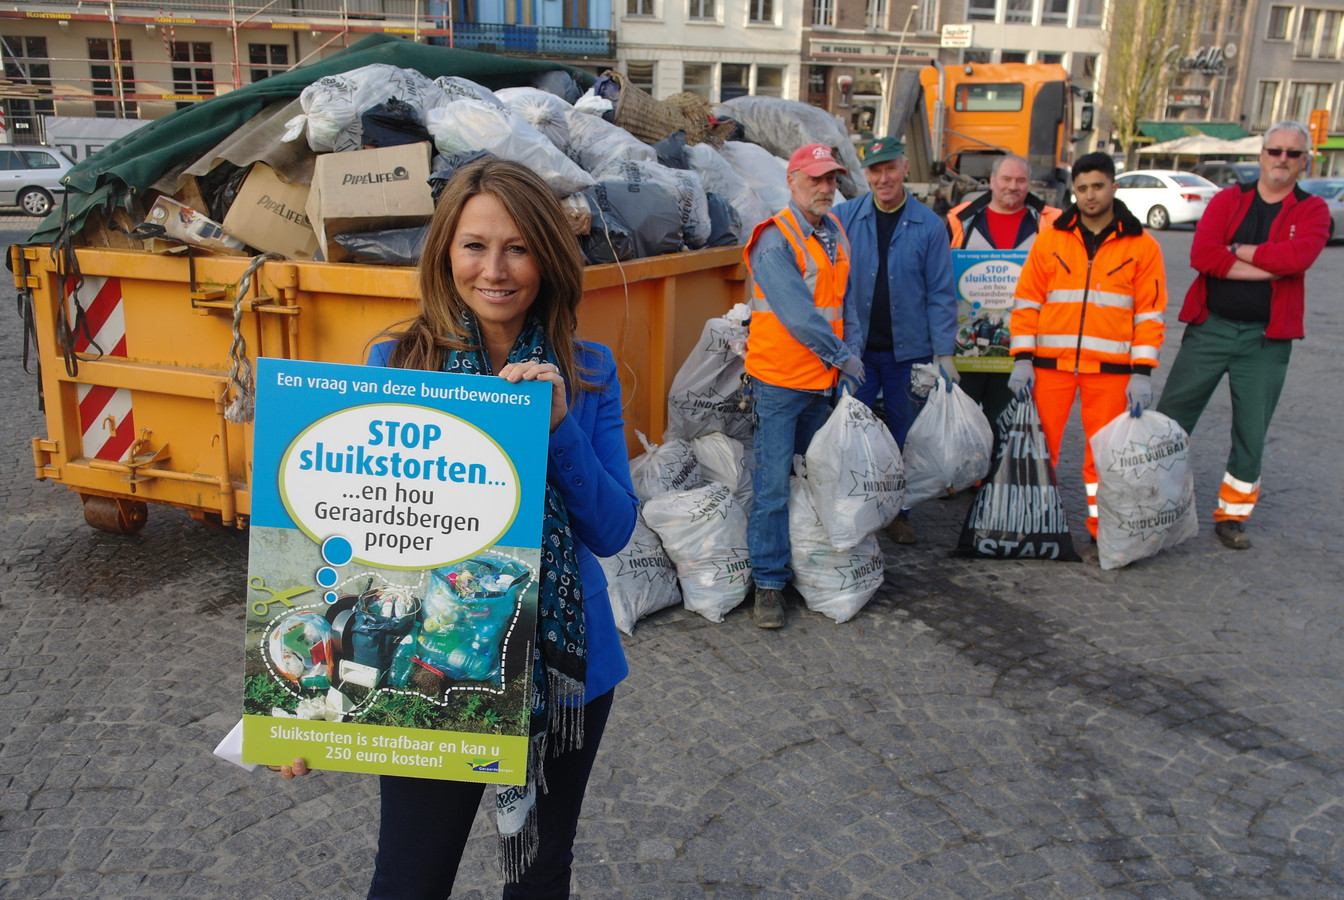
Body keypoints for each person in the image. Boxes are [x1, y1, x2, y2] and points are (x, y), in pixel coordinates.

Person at [274, 158, 640, 900]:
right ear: (445, 253)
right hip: (430, 658)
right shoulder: (399, 362)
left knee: (538, 875)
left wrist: (559, 428)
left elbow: (612, 529)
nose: (495, 270)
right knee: (410, 877)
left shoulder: (591, 371)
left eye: (518, 247)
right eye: (475, 245)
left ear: (548, 257)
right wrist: (308, 712)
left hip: (563, 672)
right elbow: (358, 534)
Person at [1156, 120, 1329, 550]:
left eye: (1292, 154)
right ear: (1261, 155)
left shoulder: (1312, 210)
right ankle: (1152, 501)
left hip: (1266, 340)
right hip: (1210, 327)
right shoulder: (1229, 199)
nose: (1282, 160)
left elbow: (1299, 257)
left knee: (1251, 431)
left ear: (1304, 161)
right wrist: (1270, 267)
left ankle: (1232, 515)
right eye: (1275, 151)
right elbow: (1201, 254)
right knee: (1172, 420)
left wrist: (1235, 251)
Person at [1007, 151, 1167, 542]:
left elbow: (1150, 314)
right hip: (1049, 367)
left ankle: (1105, 530)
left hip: (1111, 372)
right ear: (1073, 192)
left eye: (1098, 186)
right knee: (1038, 453)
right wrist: (1022, 359)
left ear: (1114, 186)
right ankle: (1033, 524)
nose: (1090, 195)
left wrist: (1141, 372)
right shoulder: (1050, 241)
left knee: (1107, 461)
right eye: (1082, 188)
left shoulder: (1143, 247)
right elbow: (1027, 302)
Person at [744, 142, 865, 629]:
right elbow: (798, 316)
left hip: (824, 382)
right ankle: (769, 583)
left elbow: (846, 303)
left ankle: (813, 567)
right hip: (779, 383)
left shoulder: (835, 232)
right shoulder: (775, 240)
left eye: (831, 179)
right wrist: (844, 357)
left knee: (820, 480)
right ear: (791, 181)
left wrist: (848, 361)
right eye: (815, 179)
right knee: (772, 485)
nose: (825, 187)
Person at [833, 136, 959, 544]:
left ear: (906, 168)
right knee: (852, 431)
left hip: (909, 354)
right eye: (875, 170)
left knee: (905, 434)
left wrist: (944, 354)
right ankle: (858, 506)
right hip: (859, 353)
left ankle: (899, 511)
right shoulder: (845, 218)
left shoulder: (929, 225)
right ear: (864, 174)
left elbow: (941, 292)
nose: (883, 178)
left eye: (890, 168)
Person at [947, 154, 1062, 428]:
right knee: (965, 425)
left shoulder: (1051, 224)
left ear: (1029, 183)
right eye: (1006, 179)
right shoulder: (960, 220)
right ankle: (972, 473)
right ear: (991, 182)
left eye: (1021, 180)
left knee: (1006, 424)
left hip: (1024, 349)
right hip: (968, 353)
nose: (1013, 186)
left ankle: (1000, 472)